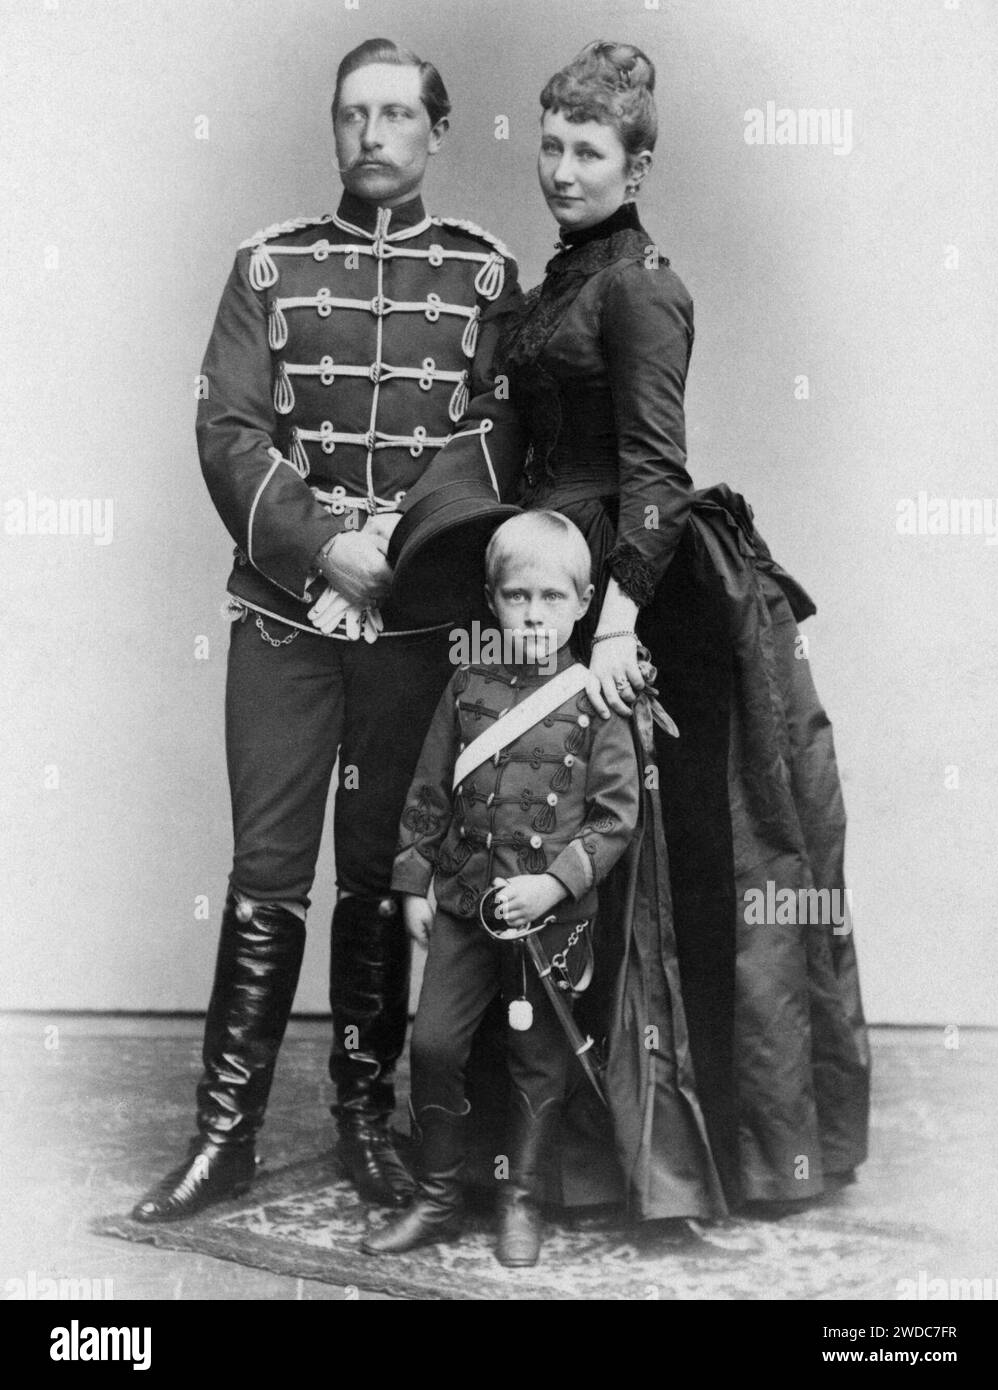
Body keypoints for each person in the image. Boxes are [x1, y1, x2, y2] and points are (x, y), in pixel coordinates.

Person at [130, 38, 524, 1223]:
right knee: (264, 877)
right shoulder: (267, 266)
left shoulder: (487, 278)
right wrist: (316, 548)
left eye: (397, 112)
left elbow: (498, 436)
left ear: (436, 132)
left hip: (413, 626)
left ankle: (363, 1120)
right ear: (334, 127)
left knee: (374, 874)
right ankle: (224, 1136)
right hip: (285, 618)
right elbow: (227, 431)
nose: (372, 133)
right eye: (353, 113)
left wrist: (401, 552)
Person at [495, 41, 870, 1210]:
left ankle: (672, 1158)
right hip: (551, 573)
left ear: (636, 163)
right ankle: (556, 1151)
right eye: (549, 145)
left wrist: (612, 622)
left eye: (587, 150)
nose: (560, 168)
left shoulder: (643, 284)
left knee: (645, 855)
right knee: (552, 839)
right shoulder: (562, 278)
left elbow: (656, 472)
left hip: (630, 592)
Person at [360, 512, 639, 1266]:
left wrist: (553, 887)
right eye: (517, 597)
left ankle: (522, 1200)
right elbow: (427, 793)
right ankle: (438, 1198)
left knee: (537, 1062)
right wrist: (416, 882)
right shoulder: (465, 685)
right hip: (463, 902)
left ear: (583, 604)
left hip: (548, 925)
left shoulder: (594, 697)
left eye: (553, 597)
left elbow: (615, 819)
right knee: (434, 1046)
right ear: (492, 600)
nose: (534, 613)